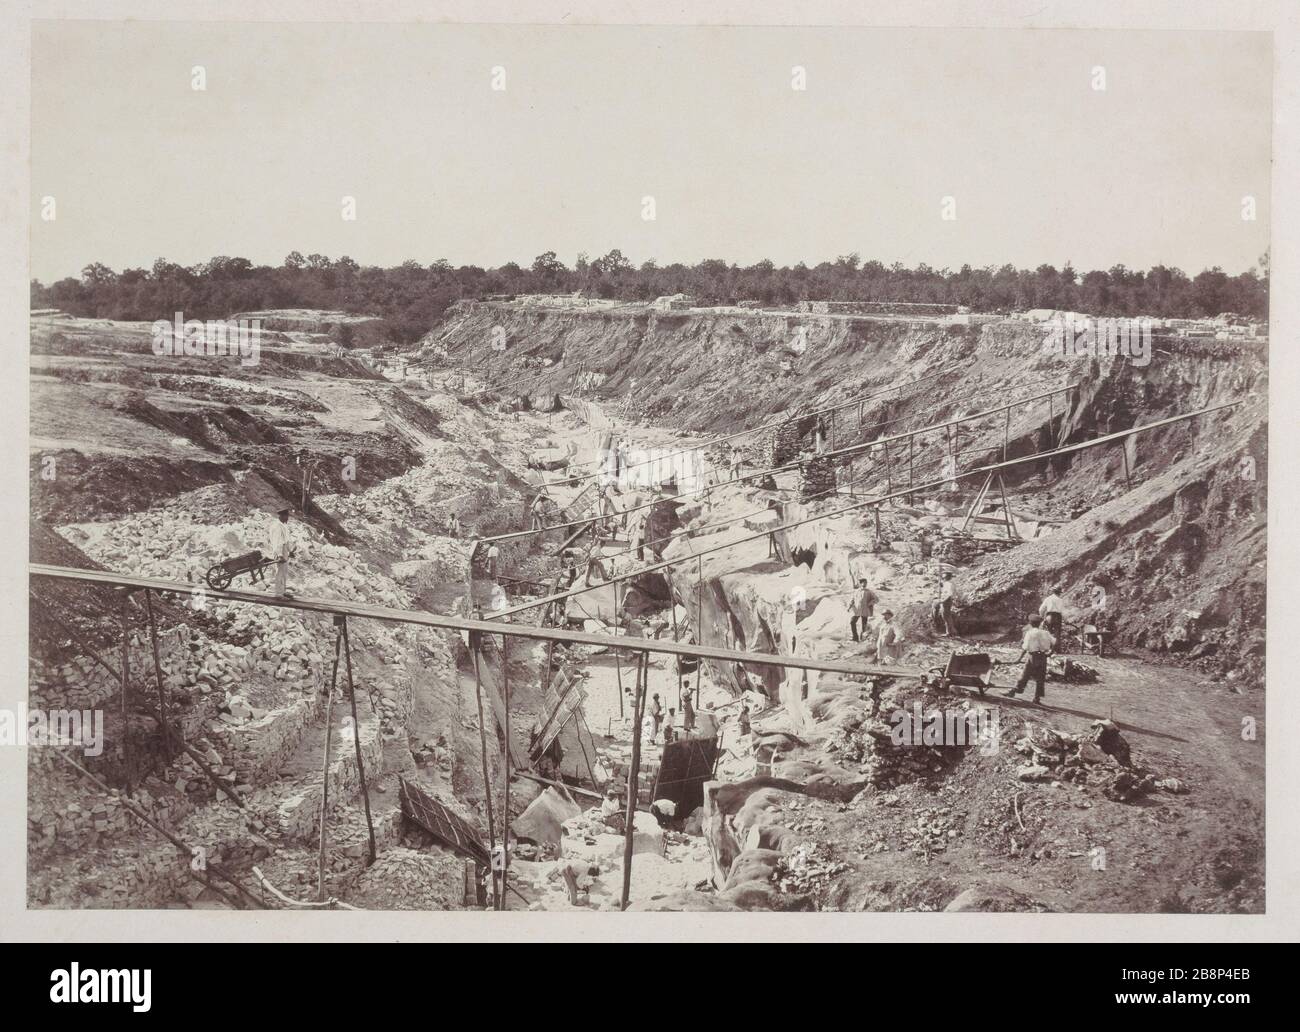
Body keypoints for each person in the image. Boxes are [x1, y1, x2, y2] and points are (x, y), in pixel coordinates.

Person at [1006, 614, 1055, 704]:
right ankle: (1037, 698)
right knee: (1040, 678)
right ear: (1039, 623)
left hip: (1033, 656)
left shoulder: (1030, 633)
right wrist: (1050, 653)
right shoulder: (1046, 633)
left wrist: (1019, 658)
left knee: (1025, 675)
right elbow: (1055, 642)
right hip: (1043, 657)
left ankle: (1013, 692)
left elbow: (1025, 648)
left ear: (1030, 623)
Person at [268, 507, 295, 597]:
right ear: (282, 516)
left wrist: (289, 551)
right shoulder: (276, 527)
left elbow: (285, 541)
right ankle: (278, 594)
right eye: (286, 516)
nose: (287, 518)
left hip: (284, 551)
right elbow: (277, 542)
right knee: (279, 572)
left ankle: (283, 591)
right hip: (279, 551)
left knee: (284, 572)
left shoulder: (282, 526)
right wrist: (280, 555)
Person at [850, 578, 878, 642]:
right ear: (860, 584)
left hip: (865, 610)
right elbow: (852, 599)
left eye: (866, 583)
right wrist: (849, 606)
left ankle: (862, 638)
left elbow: (876, 599)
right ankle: (855, 637)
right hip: (857, 610)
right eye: (863, 583)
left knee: (864, 625)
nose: (864, 584)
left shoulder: (869, 591)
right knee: (852, 622)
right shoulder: (856, 591)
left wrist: (870, 603)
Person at [939, 572, 957, 636]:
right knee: (947, 616)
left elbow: (949, 594)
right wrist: (941, 586)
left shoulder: (950, 584)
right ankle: (952, 631)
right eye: (943, 577)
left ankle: (949, 632)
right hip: (945, 600)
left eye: (944, 577)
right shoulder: (947, 583)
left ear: (948, 577)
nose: (943, 578)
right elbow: (944, 591)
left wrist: (943, 600)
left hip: (946, 601)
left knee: (946, 616)